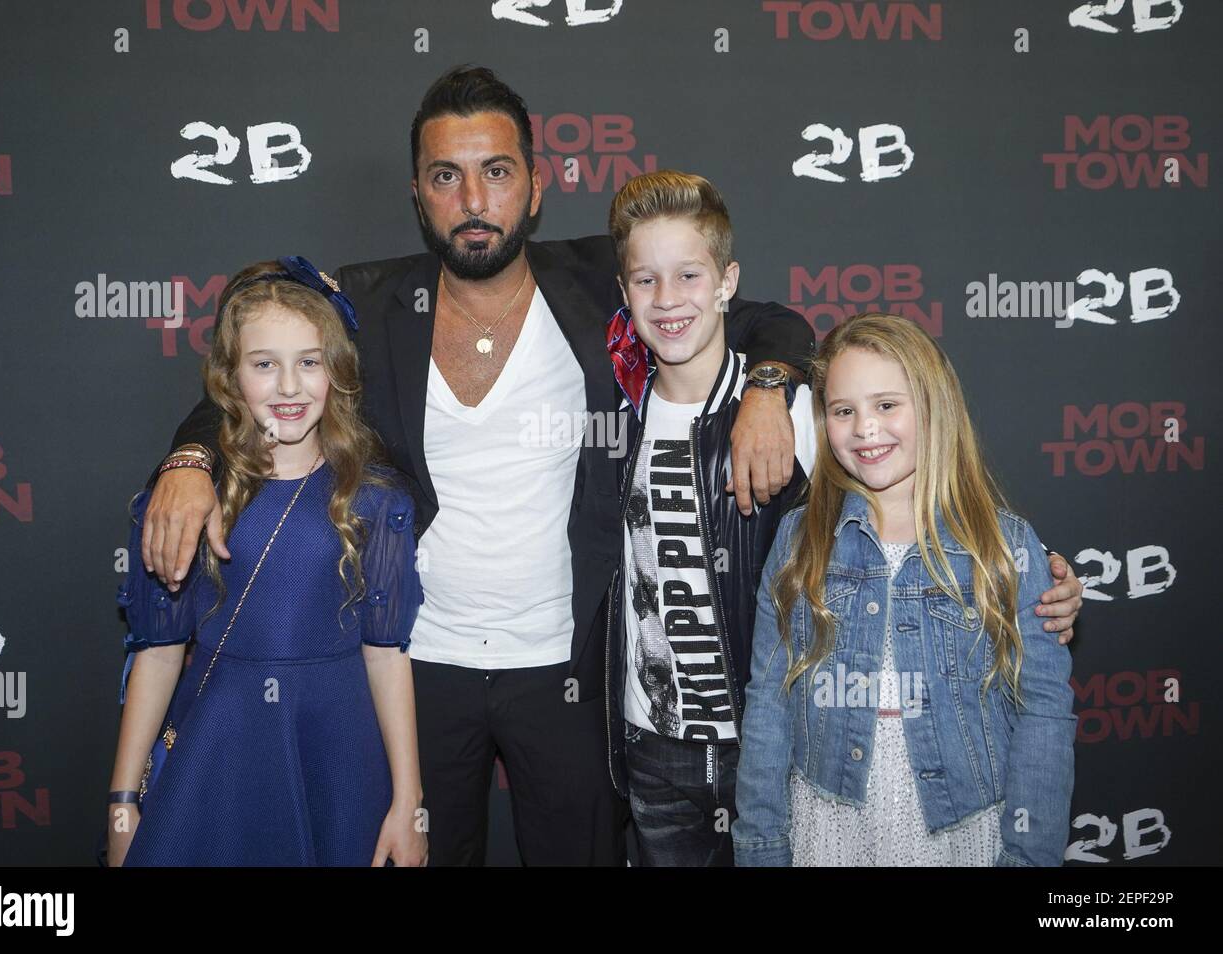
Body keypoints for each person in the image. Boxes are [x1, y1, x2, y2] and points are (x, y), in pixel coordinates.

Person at [138, 66, 817, 866]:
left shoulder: (608, 279)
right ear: (418, 195)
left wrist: (769, 389)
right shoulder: (367, 303)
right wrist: (189, 458)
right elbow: (248, 363)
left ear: (534, 187)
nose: (472, 200)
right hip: (421, 663)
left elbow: (770, 319)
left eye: (496, 172)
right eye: (446, 177)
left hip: (570, 671)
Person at [106, 257, 427, 867]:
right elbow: (157, 651)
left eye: (309, 362)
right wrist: (122, 800)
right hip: (220, 746)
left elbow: (387, 655)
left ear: (337, 372)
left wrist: (408, 802)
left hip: (339, 748)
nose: (288, 387)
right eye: (264, 365)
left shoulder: (378, 500)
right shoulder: (183, 503)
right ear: (229, 377)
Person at [733, 313, 1078, 867]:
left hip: (962, 833)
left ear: (933, 407)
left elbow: (1043, 714)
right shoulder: (801, 539)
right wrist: (761, 844)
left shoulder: (1002, 545)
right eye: (844, 411)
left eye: (887, 405)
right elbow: (770, 699)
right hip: (829, 832)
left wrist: (1030, 855)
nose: (865, 429)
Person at [603, 170, 816, 866]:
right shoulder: (613, 414)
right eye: (645, 281)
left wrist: (1032, 578)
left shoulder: (790, 414)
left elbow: (915, 504)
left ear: (727, 283)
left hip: (770, 748)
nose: (667, 301)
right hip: (652, 753)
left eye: (689, 276)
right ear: (624, 291)